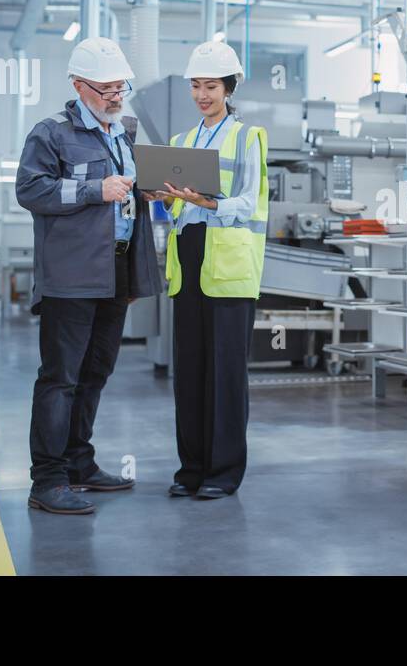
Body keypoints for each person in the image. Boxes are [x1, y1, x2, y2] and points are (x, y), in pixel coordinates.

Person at [15, 36, 161, 515]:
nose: (116, 96)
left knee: (97, 371)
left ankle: (79, 462)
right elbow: (31, 191)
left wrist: (153, 194)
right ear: (79, 86)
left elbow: (131, 196)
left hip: (115, 269)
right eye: (105, 89)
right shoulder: (52, 132)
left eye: (121, 87)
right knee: (61, 377)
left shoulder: (127, 131)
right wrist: (92, 189)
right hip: (71, 275)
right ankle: (48, 479)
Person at [154, 40, 268, 500]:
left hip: (230, 265)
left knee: (225, 373)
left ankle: (223, 473)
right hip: (190, 261)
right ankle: (191, 470)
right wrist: (166, 200)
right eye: (196, 86)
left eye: (211, 86)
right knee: (191, 371)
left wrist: (209, 201)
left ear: (229, 87)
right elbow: (177, 213)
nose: (202, 94)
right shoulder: (181, 142)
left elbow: (251, 201)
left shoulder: (247, 137)